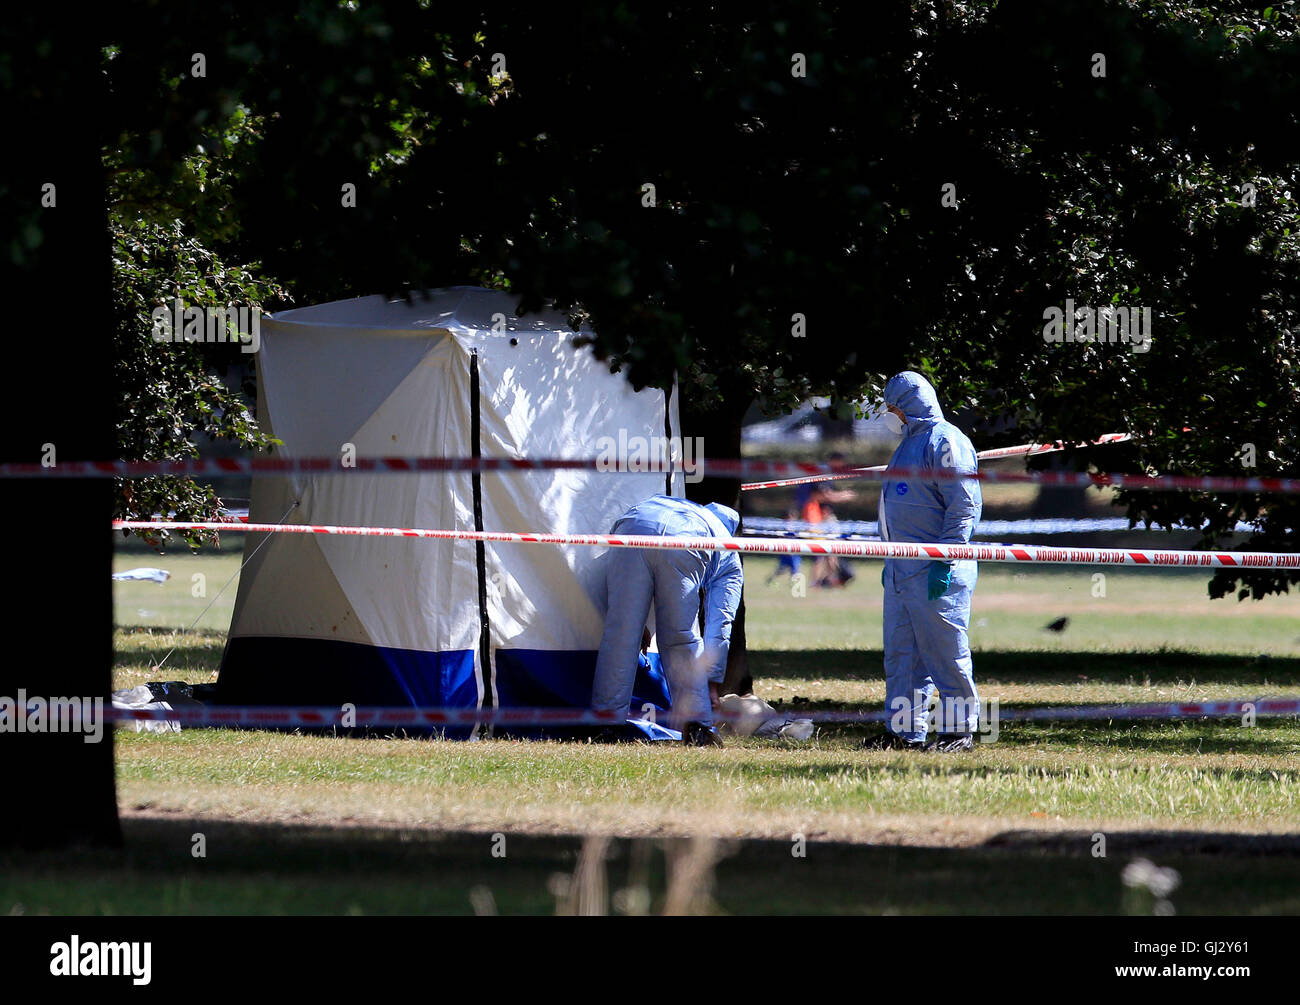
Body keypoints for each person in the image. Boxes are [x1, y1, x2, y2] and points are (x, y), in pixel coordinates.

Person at [864, 371, 983, 752]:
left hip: (936, 571)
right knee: (902, 656)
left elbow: (964, 505)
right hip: (902, 571)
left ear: (912, 405)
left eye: (895, 407)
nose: (892, 415)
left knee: (946, 654)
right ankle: (903, 732)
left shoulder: (945, 440)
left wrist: (946, 559)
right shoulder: (908, 444)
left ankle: (958, 731)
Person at [591, 495, 744, 746]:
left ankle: (605, 727)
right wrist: (713, 682)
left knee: (620, 637)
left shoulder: (677, 505)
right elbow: (720, 624)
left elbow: (609, 575)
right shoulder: (728, 554)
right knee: (680, 639)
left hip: (632, 527)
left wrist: (633, 622)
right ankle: (697, 728)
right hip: (688, 538)